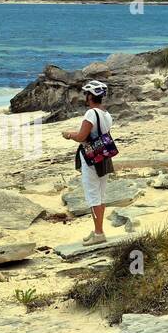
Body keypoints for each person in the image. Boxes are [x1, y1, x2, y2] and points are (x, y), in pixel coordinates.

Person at [61, 80, 113, 244]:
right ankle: (98, 230)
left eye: (86, 94)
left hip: (91, 157)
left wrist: (70, 135)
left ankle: (99, 233)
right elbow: (99, 134)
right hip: (104, 155)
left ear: (91, 96)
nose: (85, 96)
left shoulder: (91, 114)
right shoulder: (106, 114)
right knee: (100, 194)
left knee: (92, 196)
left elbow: (82, 137)